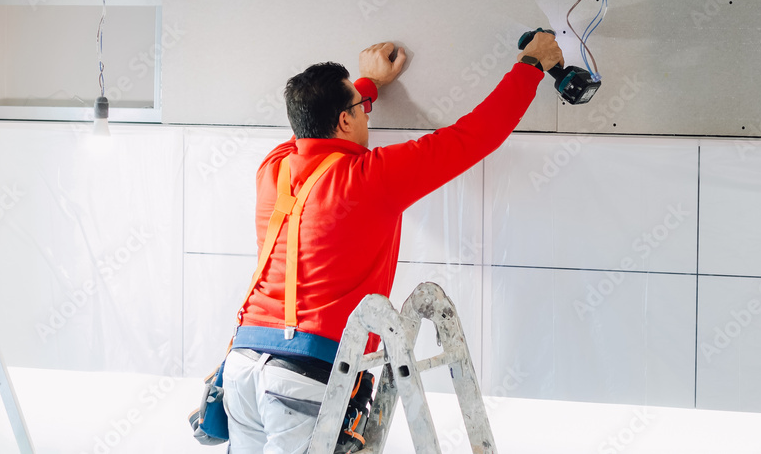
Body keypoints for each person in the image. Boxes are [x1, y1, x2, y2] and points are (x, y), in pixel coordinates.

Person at [222, 33, 564, 454]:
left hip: (241, 366)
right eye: (359, 110)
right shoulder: (370, 178)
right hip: (305, 375)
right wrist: (531, 66)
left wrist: (366, 85)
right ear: (345, 120)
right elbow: (473, 136)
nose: (366, 116)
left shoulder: (272, 170)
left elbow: (312, 128)